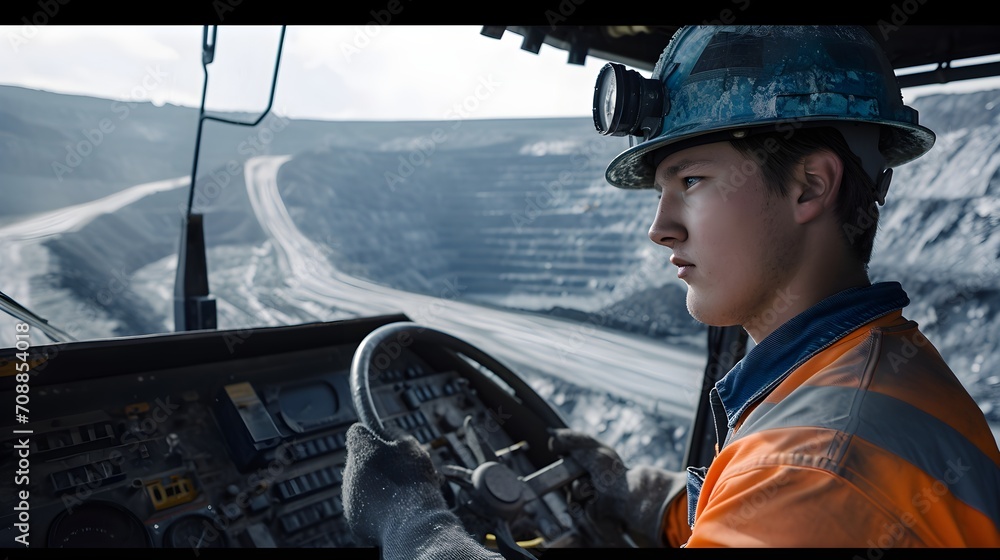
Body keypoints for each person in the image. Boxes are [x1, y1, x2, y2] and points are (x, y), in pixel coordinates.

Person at [341, 25, 1000, 553]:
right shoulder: (863, 370)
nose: (660, 229)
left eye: (692, 181)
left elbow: (788, 498)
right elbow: (755, 506)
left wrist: (418, 530)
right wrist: (643, 498)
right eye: (662, 192)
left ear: (810, 186)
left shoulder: (818, 468)